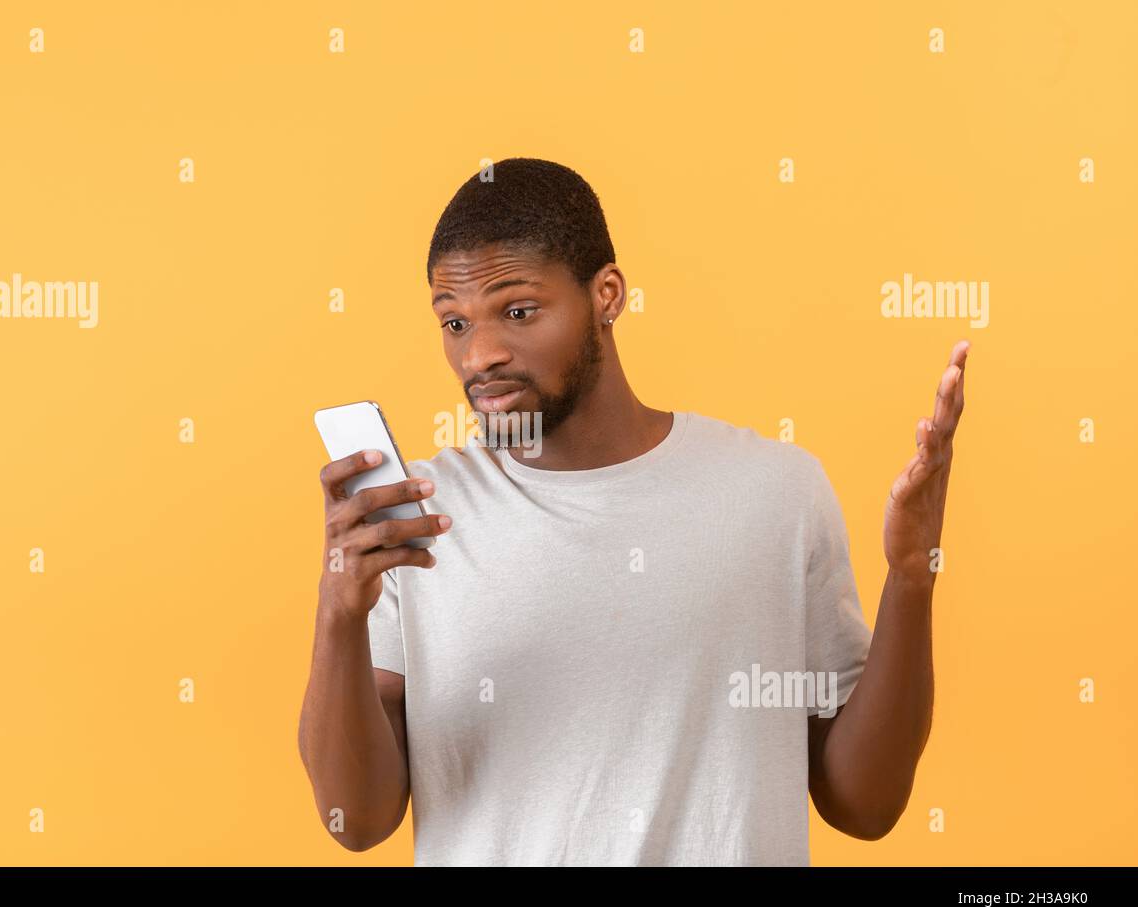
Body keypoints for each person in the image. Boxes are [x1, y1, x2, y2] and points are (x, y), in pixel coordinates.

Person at [298, 158, 968, 866]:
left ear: (608, 295)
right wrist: (339, 610)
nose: (479, 356)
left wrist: (911, 575)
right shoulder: (416, 519)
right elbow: (355, 820)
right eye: (455, 322)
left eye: (518, 312)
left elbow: (865, 804)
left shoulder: (775, 491)